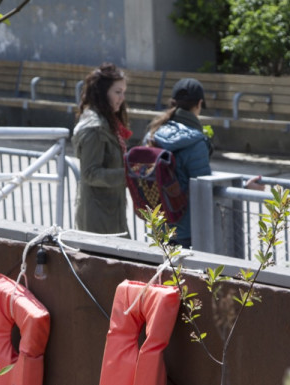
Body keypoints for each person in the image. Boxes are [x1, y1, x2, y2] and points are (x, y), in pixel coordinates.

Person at [143, 78, 213, 248]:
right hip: (188, 231)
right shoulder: (196, 142)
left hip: (158, 227)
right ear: (199, 104)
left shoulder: (152, 135)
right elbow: (204, 190)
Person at [73, 63, 132, 235]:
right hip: (98, 218)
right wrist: (128, 175)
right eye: (117, 92)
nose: (122, 98)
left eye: (124, 92)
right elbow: (90, 173)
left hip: (112, 211)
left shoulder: (108, 122)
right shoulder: (94, 127)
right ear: (102, 92)